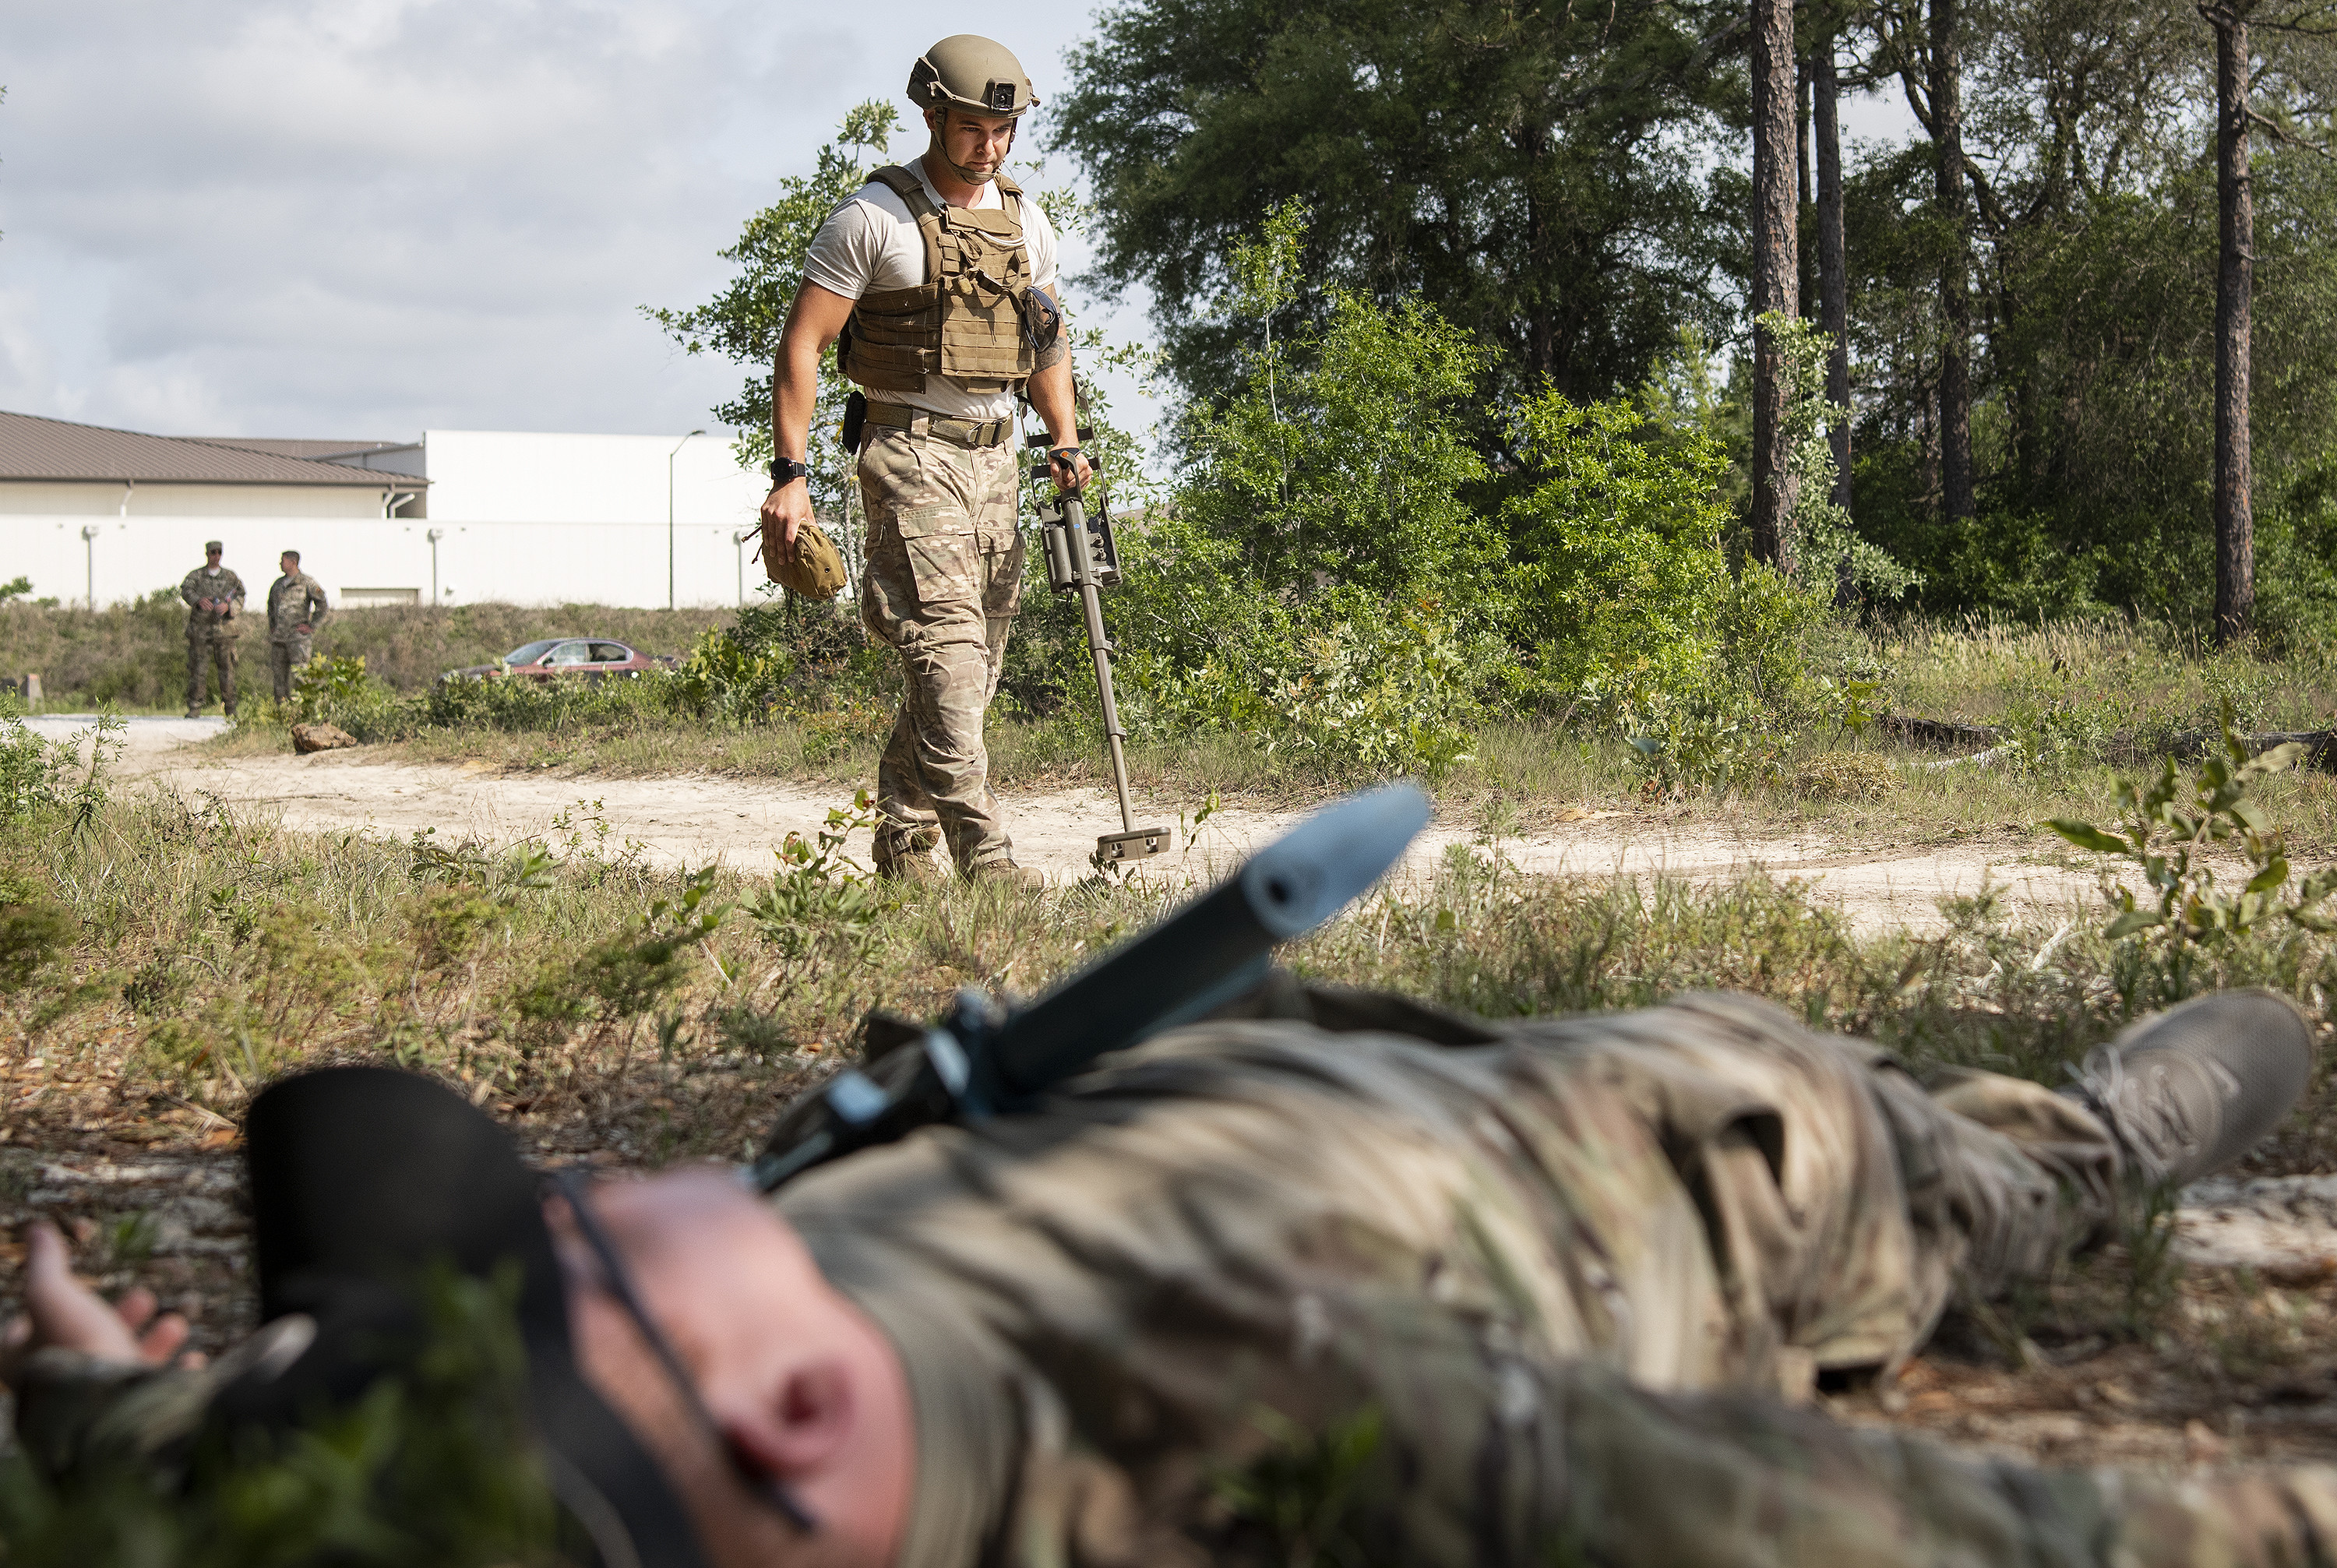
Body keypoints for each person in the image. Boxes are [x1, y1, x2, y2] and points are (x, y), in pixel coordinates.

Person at [6, 982, 2331, 1568]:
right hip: (1713, 1153)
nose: (582, 1189)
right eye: (573, 1247)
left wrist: (131, 1406)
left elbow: (292, 1456)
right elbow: (2027, 1537)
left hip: (1297, 1066)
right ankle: (2163, 1098)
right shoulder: (1262, 1420)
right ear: (796, 1418)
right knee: (2050, 1159)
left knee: (344, 1137)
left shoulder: (606, 1463)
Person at [757, 35, 1092, 890]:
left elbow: (1046, 338)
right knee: (945, 653)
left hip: (998, 458)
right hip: (908, 450)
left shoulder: (1026, 221)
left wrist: (1066, 438)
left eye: (1006, 129)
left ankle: (905, 840)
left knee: (975, 663)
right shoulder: (873, 220)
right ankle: (989, 857)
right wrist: (789, 478)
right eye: (977, 127)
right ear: (934, 114)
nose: (993, 146)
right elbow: (804, 343)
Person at [179, 541, 245, 719]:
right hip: (201, 631)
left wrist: (230, 607)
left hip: (225, 632)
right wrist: (198, 600)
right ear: (207, 554)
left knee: (227, 671)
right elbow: (185, 590)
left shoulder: (231, 577)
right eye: (213, 552)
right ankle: (195, 707)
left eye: (219, 552)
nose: (216, 556)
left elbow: (241, 594)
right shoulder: (197, 576)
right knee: (198, 670)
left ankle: (230, 708)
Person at [264, 551, 330, 705]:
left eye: (283, 560)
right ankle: (281, 710)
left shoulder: (307, 582)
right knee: (279, 677)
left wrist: (312, 626)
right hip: (279, 638)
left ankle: (302, 708)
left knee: (300, 676)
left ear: (293, 562)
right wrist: (272, 626)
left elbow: (323, 604)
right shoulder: (278, 584)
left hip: (298, 639)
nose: (280, 563)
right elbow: (270, 606)